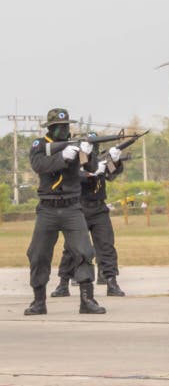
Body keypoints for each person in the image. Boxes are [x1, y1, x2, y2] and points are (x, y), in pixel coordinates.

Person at [25, 108, 106, 315]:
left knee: (84, 252)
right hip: (48, 208)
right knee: (38, 254)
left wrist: (88, 153)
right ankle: (38, 301)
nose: (63, 129)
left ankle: (87, 300)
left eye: (66, 126)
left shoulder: (75, 145)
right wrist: (63, 156)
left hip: (72, 208)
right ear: (50, 128)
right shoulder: (39, 145)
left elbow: (92, 169)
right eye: (59, 127)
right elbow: (39, 165)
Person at [51, 136, 127, 297]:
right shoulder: (74, 161)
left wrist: (115, 160)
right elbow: (71, 176)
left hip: (99, 209)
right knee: (71, 248)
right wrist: (90, 173)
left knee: (106, 246)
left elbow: (112, 174)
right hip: (79, 208)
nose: (93, 148)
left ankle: (111, 282)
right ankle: (63, 283)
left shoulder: (101, 160)